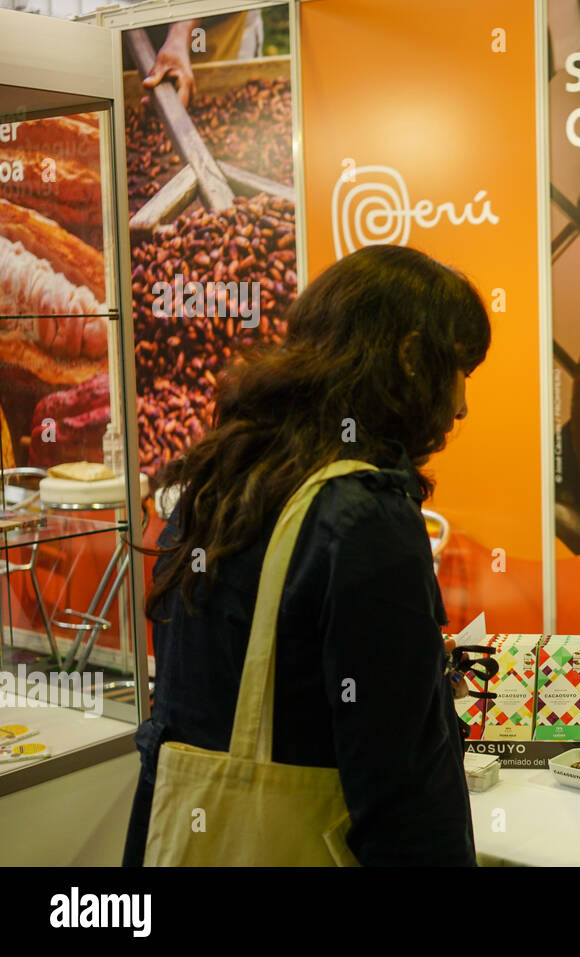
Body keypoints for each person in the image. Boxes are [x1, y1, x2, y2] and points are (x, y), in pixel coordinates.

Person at [123, 244, 490, 866]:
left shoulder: (222, 475)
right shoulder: (364, 514)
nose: (460, 405)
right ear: (407, 356)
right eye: (459, 371)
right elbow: (403, 794)